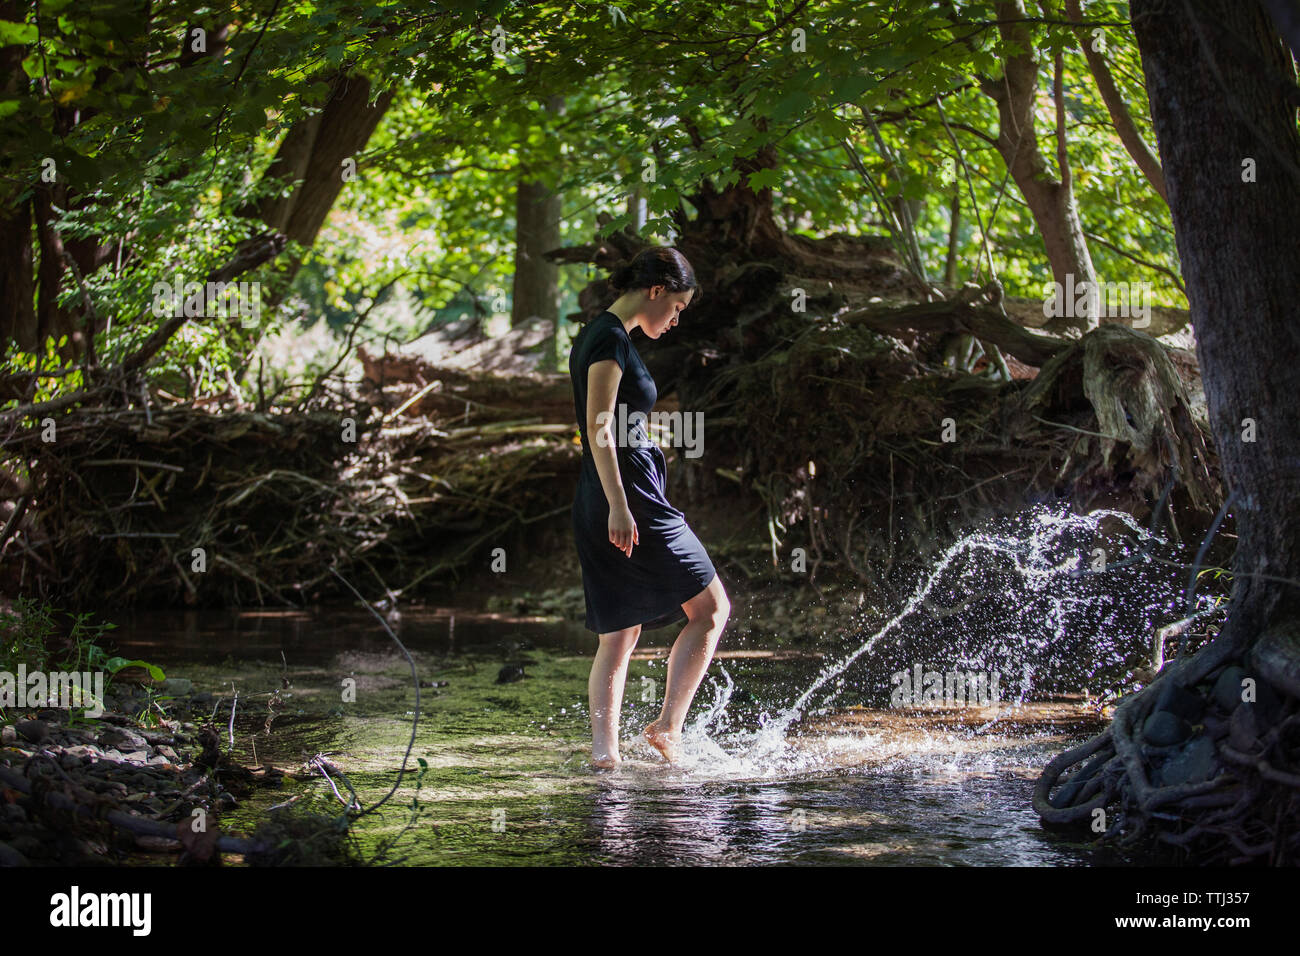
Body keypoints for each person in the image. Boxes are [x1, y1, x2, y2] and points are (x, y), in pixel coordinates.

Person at [568, 246, 730, 769]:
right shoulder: (611, 339)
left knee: (620, 631)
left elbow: (612, 420)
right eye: (678, 306)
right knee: (710, 610)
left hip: (609, 493)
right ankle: (666, 729)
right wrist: (620, 504)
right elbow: (597, 426)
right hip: (627, 497)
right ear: (656, 290)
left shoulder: (602, 335)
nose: (677, 318)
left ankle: (604, 760)